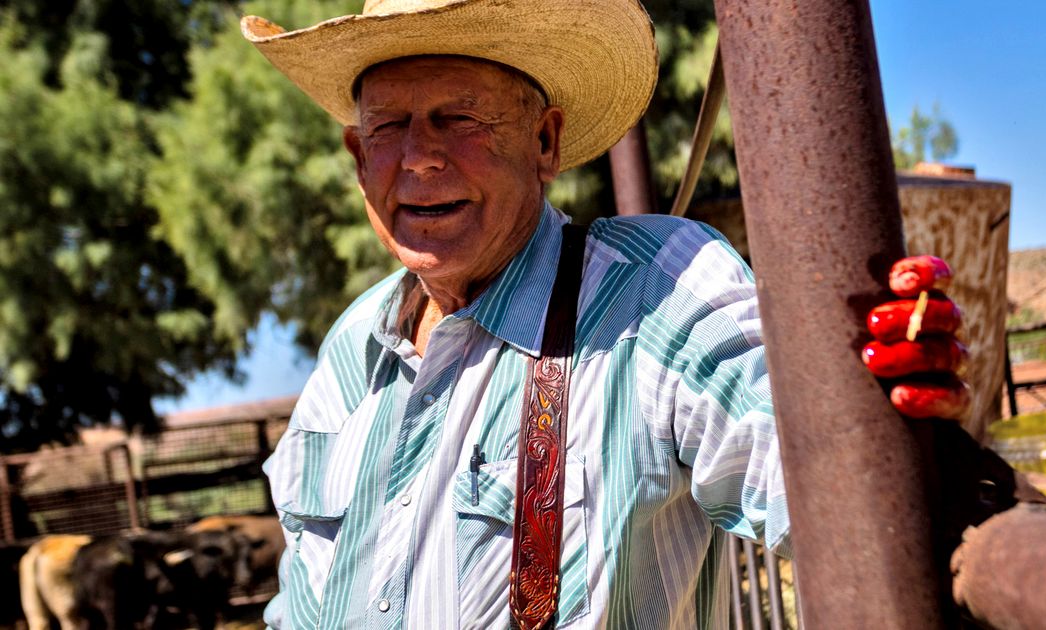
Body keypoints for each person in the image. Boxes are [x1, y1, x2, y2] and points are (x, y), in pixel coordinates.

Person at [241, 1, 970, 627]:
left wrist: (879, 414)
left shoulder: (652, 290)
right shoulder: (352, 348)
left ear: (545, 141)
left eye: (459, 116)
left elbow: (817, 468)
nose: (419, 157)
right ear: (356, 155)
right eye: (388, 127)